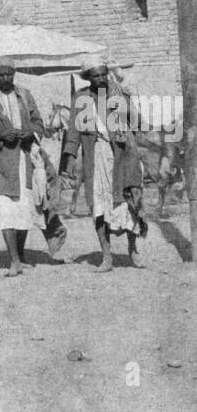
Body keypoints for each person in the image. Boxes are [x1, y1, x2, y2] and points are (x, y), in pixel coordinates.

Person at [0, 62, 66, 276]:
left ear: (14, 75)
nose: (6, 79)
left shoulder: (24, 96)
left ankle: (20, 254)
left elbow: (38, 123)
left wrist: (29, 132)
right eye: (1, 75)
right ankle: (14, 260)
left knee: (24, 208)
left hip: (24, 161)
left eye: (9, 74)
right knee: (5, 209)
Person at [62, 55, 147, 272]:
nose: (100, 78)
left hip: (121, 154)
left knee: (128, 201)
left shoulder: (117, 92)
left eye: (103, 74)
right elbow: (73, 129)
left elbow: (135, 120)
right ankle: (106, 256)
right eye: (95, 75)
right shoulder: (81, 98)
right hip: (95, 155)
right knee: (98, 206)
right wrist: (70, 156)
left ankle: (133, 249)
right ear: (88, 78)